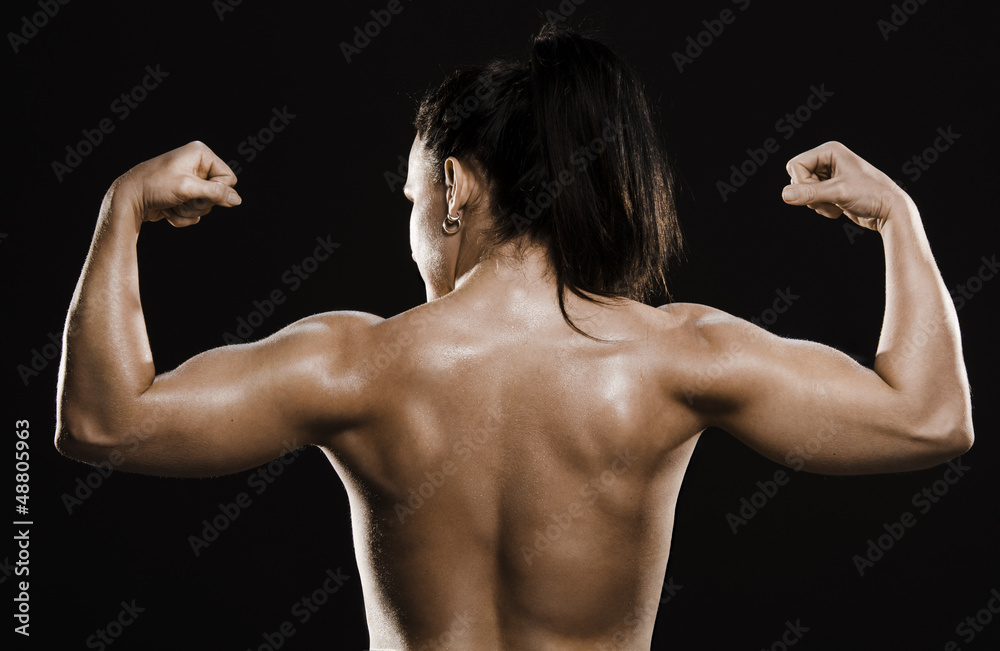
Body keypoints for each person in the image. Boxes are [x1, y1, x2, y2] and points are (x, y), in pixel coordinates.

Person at [55, 24, 972, 650]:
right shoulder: (674, 357)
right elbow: (930, 419)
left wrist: (122, 207)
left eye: (414, 198)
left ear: (456, 187)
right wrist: (897, 216)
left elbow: (99, 421)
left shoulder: (353, 364)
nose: (412, 223)